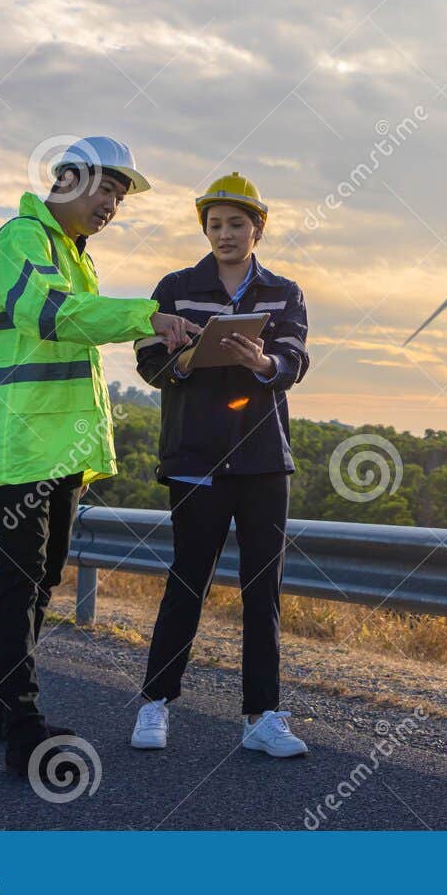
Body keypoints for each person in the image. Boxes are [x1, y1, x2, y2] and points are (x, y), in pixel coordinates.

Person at [0, 136, 199, 779]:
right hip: (16, 444)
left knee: (40, 580)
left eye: (120, 197)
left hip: (54, 447)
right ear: (67, 178)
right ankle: (25, 727)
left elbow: (79, 330)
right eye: (105, 190)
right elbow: (50, 315)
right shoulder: (21, 239)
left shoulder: (71, 254)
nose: (112, 206)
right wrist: (152, 316)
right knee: (20, 582)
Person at [128, 172, 311, 757]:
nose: (225, 234)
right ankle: (155, 704)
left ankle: (262, 717)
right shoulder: (176, 287)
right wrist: (183, 361)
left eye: (237, 224)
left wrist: (261, 361)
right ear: (204, 229)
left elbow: (295, 360)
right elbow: (150, 363)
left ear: (258, 227)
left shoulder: (285, 293)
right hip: (195, 457)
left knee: (264, 592)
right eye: (215, 225)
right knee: (188, 582)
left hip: (262, 460)